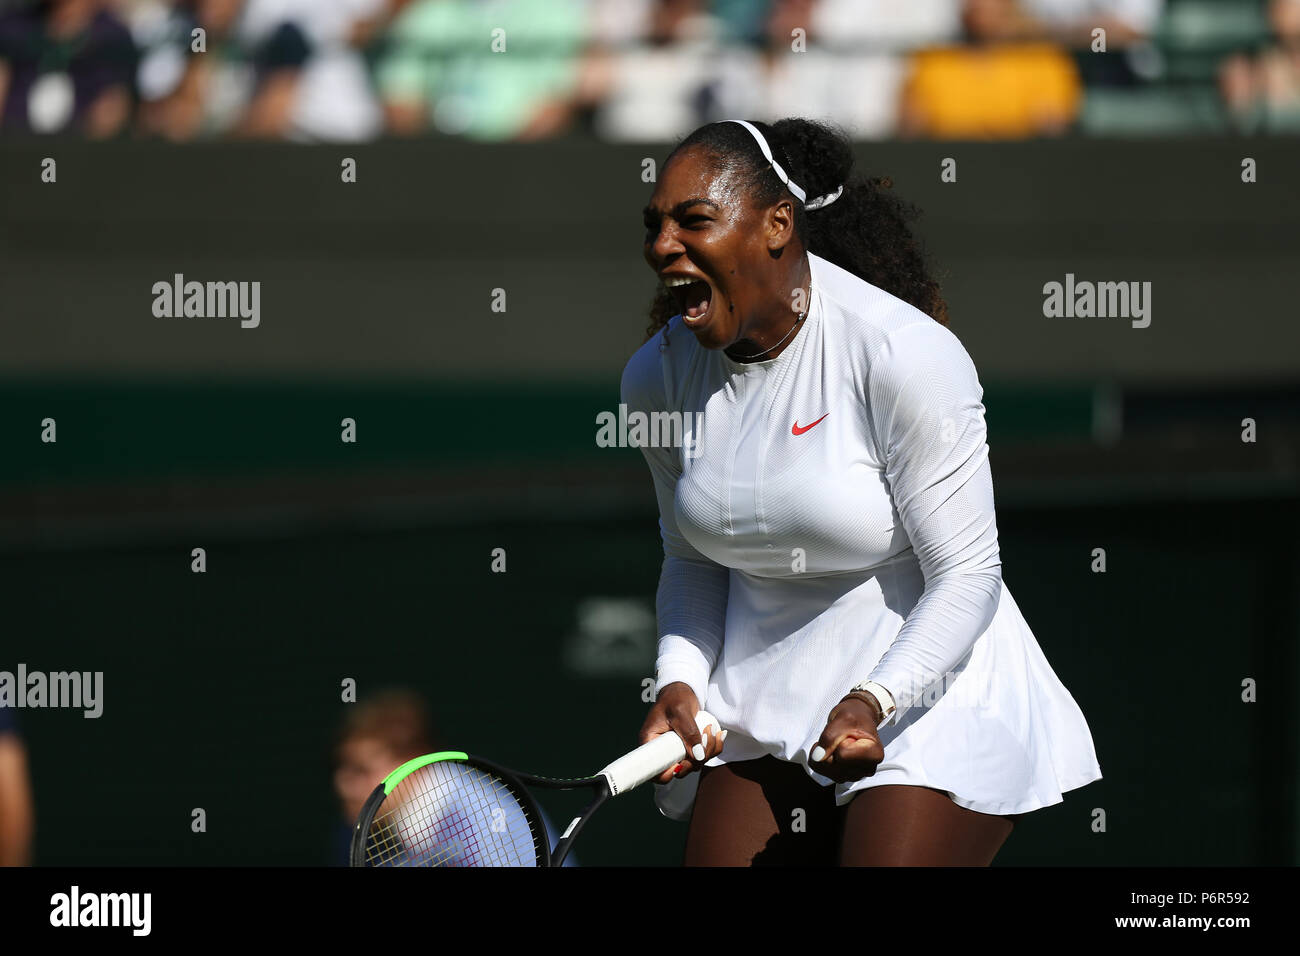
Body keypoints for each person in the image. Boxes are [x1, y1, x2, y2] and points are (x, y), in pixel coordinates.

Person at [623, 117, 1102, 866]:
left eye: (694, 220)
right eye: (655, 225)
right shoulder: (656, 376)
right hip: (762, 691)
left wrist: (874, 699)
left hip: (928, 689)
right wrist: (680, 680)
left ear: (778, 224)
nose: (662, 246)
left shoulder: (903, 355)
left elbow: (967, 575)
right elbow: (691, 560)